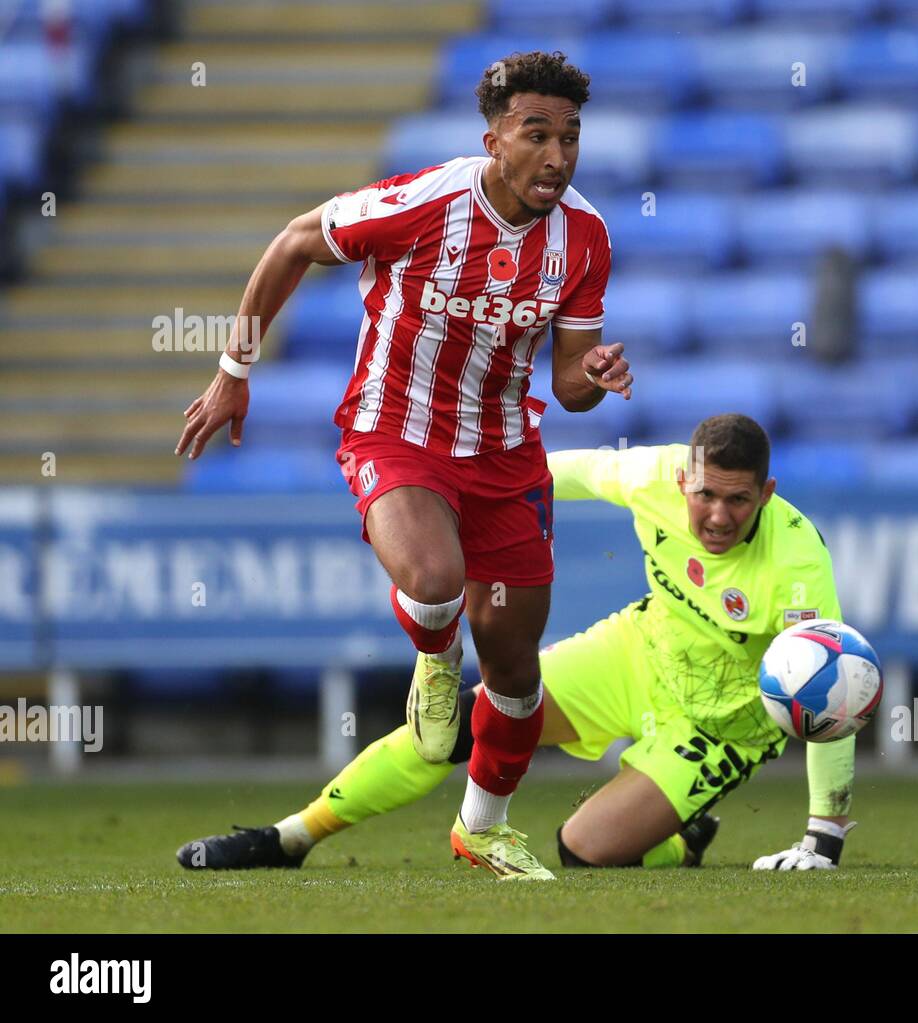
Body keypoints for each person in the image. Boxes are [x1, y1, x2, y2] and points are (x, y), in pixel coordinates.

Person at [174, 51, 631, 881]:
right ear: (494, 137)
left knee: (518, 670)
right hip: (398, 434)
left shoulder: (586, 238)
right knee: (432, 579)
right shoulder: (423, 202)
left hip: (506, 458)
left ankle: (482, 827)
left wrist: (594, 377)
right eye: (538, 135)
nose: (558, 157)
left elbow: (567, 383)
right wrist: (232, 373)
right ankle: (431, 658)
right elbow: (291, 244)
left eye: (571, 137)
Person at [178, 415, 865, 877]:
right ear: (686, 478)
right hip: (637, 654)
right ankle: (289, 837)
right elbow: (549, 472)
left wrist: (822, 838)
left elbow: (831, 697)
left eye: (738, 502)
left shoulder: (798, 563)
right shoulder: (652, 475)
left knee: (582, 851)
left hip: (723, 726)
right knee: (460, 730)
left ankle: (681, 836)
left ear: (766, 493)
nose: (717, 515)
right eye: (707, 495)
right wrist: (458, 488)